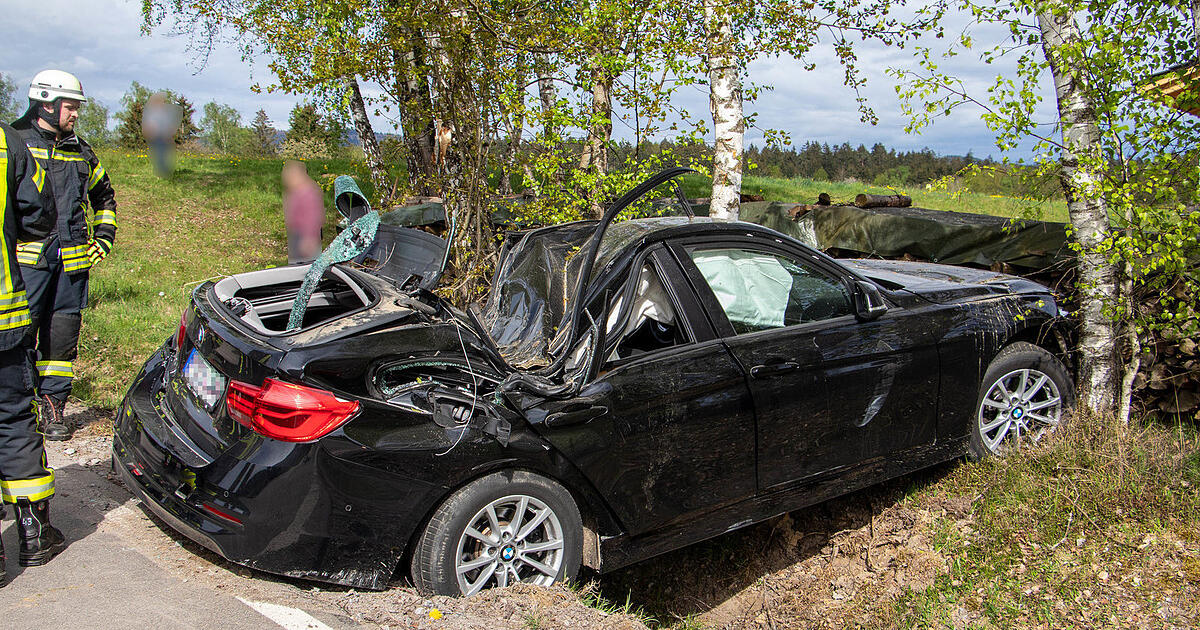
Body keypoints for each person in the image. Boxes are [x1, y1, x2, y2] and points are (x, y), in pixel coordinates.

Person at [10, 70, 118, 441]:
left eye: (76, 108)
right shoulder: (15, 143)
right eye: (70, 107)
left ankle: (54, 409)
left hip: (71, 266)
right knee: (19, 337)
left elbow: (104, 196)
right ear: (46, 103)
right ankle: (18, 411)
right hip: (26, 264)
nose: (75, 115)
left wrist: (104, 236)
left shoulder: (81, 150)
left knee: (61, 342)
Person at [0, 120, 64, 586]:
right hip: (3, 315)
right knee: (14, 419)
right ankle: (34, 534)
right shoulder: (8, 143)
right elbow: (39, 215)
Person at [282, 160, 325, 265]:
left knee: (305, 267)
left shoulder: (307, 192)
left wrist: (309, 238)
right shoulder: (296, 191)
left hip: (306, 236)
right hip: (297, 234)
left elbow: (313, 217)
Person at [142, 92, 181, 177]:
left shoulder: (163, 113)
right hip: (156, 136)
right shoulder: (153, 113)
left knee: (163, 153)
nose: (163, 103)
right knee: (159, 154)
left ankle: (163, 170)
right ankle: (161, 172)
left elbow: (167, 125)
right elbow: (150, 124)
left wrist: (169, 136)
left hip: (163, 136)